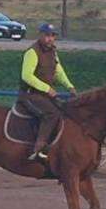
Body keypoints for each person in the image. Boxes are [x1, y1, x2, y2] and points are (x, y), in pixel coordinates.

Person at [17, 23, 77, 161]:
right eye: (47, 35)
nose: (50, 39)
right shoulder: (32, 52)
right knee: (52, 113)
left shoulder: (52, 52)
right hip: (29, 95)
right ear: (41, 35)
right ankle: (38, 148)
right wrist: (47, 88)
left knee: (64, 110)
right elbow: (26, 76)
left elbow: (58, 71)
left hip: (44, 95)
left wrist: (69, 86)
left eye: (52, 36)